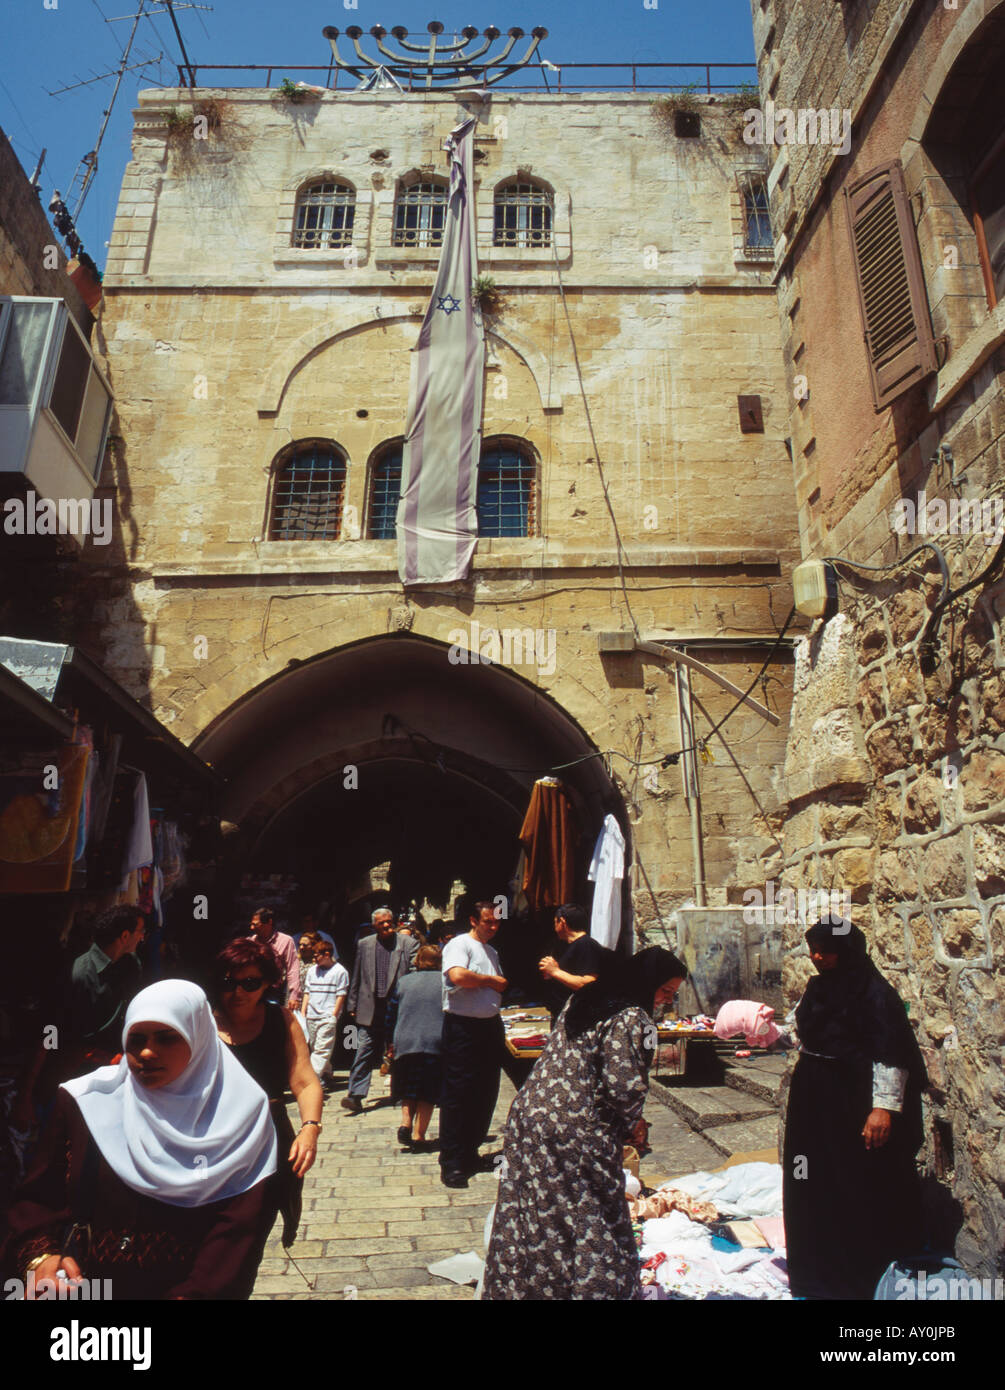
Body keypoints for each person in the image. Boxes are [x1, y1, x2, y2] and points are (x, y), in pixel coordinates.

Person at [2, 980, 277, 1300]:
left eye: (166, 1037)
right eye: (136, 1039)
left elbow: (240, 1228)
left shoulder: (241, 1115)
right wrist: (41, 1257)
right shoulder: (85, 1102)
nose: (147, 1052)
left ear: (199, 1038)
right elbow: (37, 1197)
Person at [482, 946, 687, 1300]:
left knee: (532, 1210)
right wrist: (634, 1124)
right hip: (575, 1128)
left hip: (531, 1117)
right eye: (665, 991)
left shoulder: (586, 998)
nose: (666, 1001)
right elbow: (623, 1087)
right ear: (648, 981)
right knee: (592, 1213)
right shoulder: (631, 1016)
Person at [782, 916, 926, 1299]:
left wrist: (883, 1109)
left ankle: (857, 1277)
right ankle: (815, 1271)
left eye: (825, 950)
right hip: (813, 1100)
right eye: (813, 949)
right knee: (811, 1182)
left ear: (846, 951)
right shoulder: (819, 987)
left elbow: (891, 1052)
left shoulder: (875, 993)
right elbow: (802, 1031)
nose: (816, 956)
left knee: (852, 1184)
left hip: (853, 1100)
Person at [213, 939, 322, 1249]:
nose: (237, 992)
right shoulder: (202, 1023)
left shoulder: (282, 1022)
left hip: (268, 1137)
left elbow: (304, 1082)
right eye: (228, 982)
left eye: (249, 983)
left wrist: (310, 1129)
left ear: (266, 984)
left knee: (254, 1227)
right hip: (214, 1141)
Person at [439, 901, 508, 1189]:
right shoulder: (460, 944)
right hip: (463, 1027)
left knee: (484, 1092)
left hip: (488, 1026)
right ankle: (452, 1162)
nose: (492, 927)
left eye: (496, 922)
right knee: (459, 1093)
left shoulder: (491, 951)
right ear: (473, 920)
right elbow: (457, 976)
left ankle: (470, 1152)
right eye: (487, 922)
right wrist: (490, 981)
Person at [341, 907, 417, 1115]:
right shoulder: (364, 945)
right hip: (371, 1007)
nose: (386, 925)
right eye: (381, 923)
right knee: (364, 1049)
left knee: (400, 1051)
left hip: (398, 1007)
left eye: (388, 921)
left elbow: (414, 974)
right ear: (374, 925)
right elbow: (356, 974)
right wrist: (352, 1003)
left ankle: (400, 1092)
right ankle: (355, 1095)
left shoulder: (408, 944)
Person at [386, 945, 444, 1151]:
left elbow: (391, 1014)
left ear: (418, 960)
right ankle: (419, 1137)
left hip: (405, 1041)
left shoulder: (403, 982)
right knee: (427, 1091)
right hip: (434, 1043)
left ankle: (405, 1123)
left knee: (408, 1087)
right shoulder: (447, 983)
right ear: (439, 962)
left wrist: (389, 1042)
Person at [538, 902, 617, 1017]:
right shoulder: (569, 946)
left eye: (555, 922)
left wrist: (555, 971)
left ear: (562, 922)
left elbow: (588, 983)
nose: (554, 928)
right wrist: (552, 973)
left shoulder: (586, 945)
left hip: (579, 1016)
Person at [301, 941, 349, 1090]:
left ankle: (312, 1078)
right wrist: (304, 1011)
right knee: (315, 1047)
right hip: (311, 1015)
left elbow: (341, 995)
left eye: (317, 956)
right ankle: (327, 1074)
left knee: (322, 1049)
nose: (314, 959)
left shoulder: (340, 972)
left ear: (327, 954)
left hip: (327, 1016)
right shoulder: (312, 971)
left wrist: (333, 1015)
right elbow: (307, 992)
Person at [247, 907, 301, 1009]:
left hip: (272, 992)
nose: (252, 928)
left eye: (255, 924)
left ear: (269, 922)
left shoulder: (286, 941)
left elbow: (293, 969)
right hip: (250, 990)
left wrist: (294, 996)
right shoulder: (250, 942)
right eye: (251, 924)